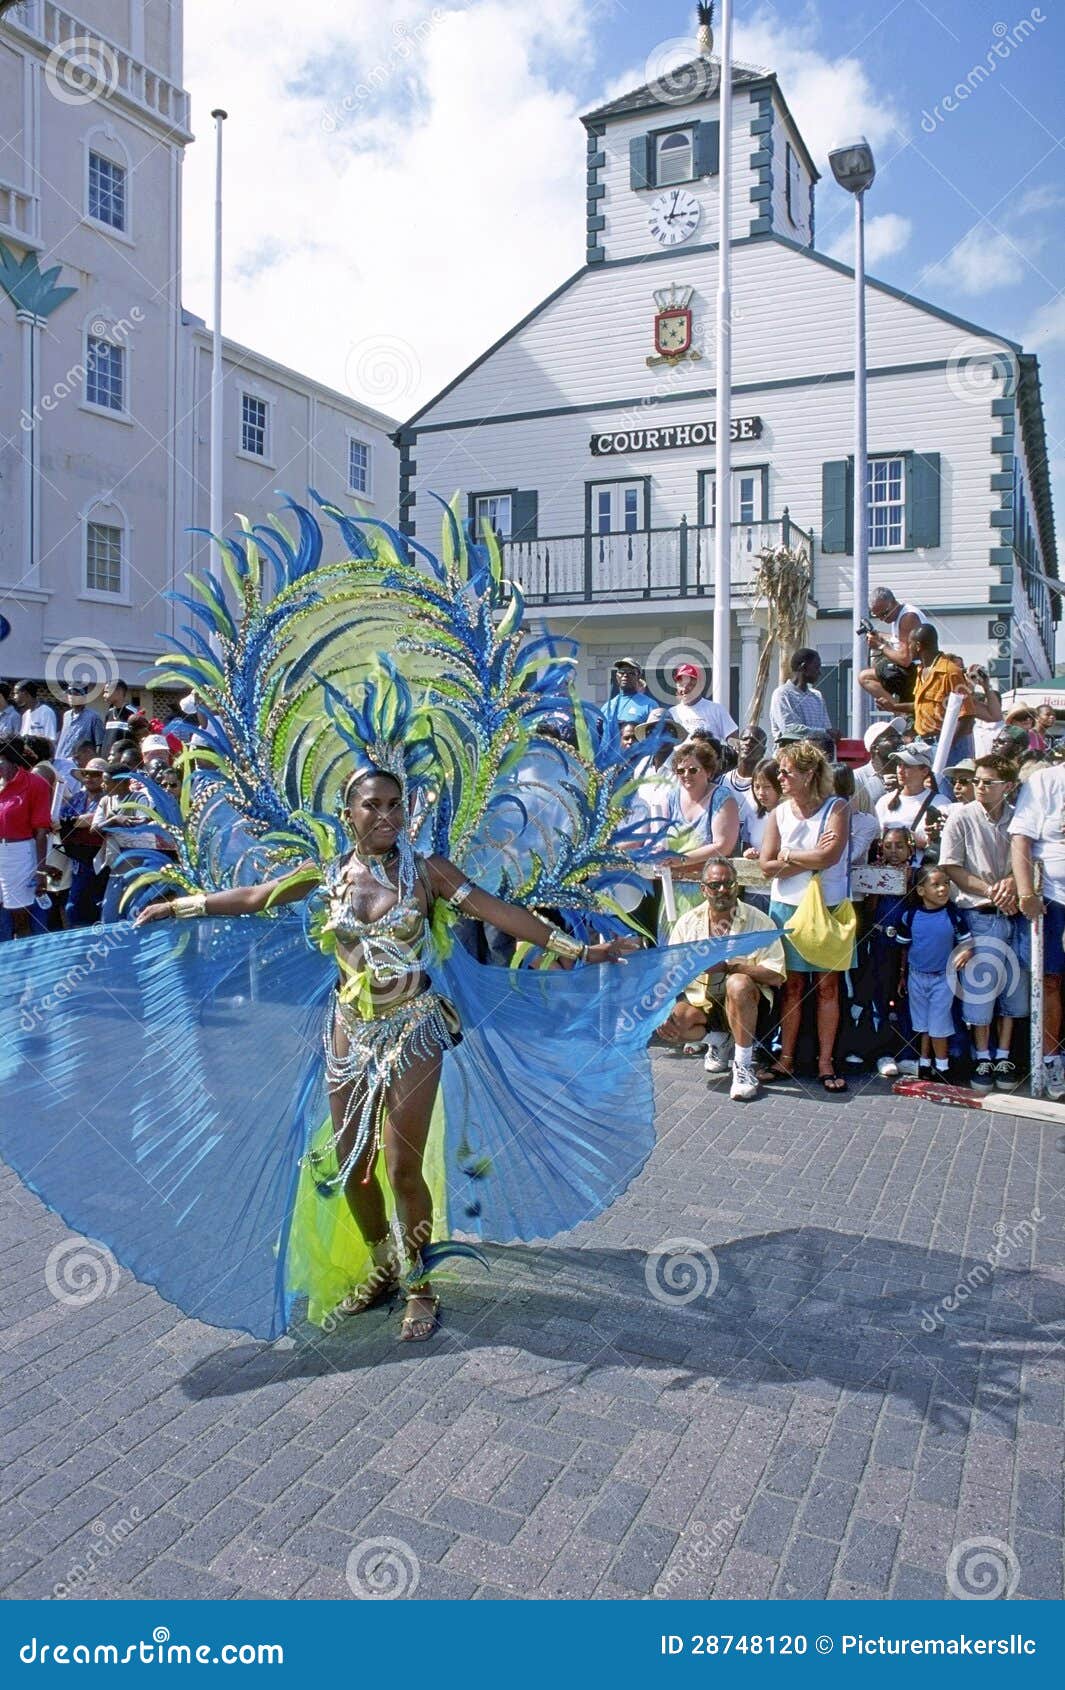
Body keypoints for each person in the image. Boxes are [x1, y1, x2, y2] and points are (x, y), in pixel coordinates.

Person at [758, 739, 851, 1091]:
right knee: (792, 987)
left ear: (810, 773)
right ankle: (787, 1058)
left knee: (828, 987)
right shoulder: (778, 813)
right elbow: (766, 866)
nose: (780, 777)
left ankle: (826, 1061)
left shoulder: (838, 807)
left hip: (828, 908)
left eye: (787, 771)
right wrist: (806, 855)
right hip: (787, 908)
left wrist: (788, 855)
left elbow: (830, 857)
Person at [657, 859, 786, 1101]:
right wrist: (662, 1011)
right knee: (673, 1022)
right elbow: (668, 971)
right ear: (702, 888)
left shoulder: (759, 921)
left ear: (738, 886)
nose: (722, 890)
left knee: (737, 983)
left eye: (729, 883)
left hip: (748, 1005)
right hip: (701, 1001)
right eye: (715, 885)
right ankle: (719, 1041)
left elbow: (777, 975)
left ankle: (743, 1066)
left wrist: (731, 967)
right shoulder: (688, 922)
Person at [938, 754, 1024, 1092]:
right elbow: (951, 867)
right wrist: (991, 890)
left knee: (1014, 992)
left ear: (1008, 786)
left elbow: (1030, 863)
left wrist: (1014, 885)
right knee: (980, 992)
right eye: (977, 781)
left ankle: (1004, 1054)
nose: (980, 787)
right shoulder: (960, 818)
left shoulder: (1019, 820)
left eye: (988, 782)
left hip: (1015, 915)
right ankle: (982, 1056)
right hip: (979, 914)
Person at [1009, 759, 1065, 1100]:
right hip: (1054, 900)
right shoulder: (1046, 779)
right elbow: (1020, 839)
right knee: (1052, 981)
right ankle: (1050, 1059)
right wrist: (1026, 892)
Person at [895, 866, 973, 1083]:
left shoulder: (953, 914)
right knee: (922, 1023)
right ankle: (924, 1062)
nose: (942, 889)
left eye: (946, 884)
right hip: (917, 977)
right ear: (921, 891)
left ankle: (942, 1066)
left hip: (943, 978)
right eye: (936, 885)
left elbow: (967, 941)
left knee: (939, 1023)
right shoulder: (909, 917)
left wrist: (966, 952)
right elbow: (904, 948)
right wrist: (902, 975)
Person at [659, 740, 740, 908]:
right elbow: (658, 838)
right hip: (672, 892)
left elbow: (723, 846)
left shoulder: (722, 797)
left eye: (693, 770)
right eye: (680, 770)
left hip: (712, 893)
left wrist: (681, 860)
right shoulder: (670, 798)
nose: (686, 775)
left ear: (709, 771)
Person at [0, 736, 52, 938]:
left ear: (11, 760)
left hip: (20, 853)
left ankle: (27, 965)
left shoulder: (35, 784)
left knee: (19, 915)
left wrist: (40, 870)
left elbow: (41, 832)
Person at [906, 624, 981, 760]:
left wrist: (945, 746)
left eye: (909, 644)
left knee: (945, 782)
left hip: (947, 747)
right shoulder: (920, 670)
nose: (907, 648)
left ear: (918, 645)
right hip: (923, 744)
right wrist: (893, 706)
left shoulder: (950, 672)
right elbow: (921, 707)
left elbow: (966, 716)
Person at [858, 589, 927, 711]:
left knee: (865, 677)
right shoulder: (900, 616)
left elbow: (905, 659)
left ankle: (900, 712)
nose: (882, 619)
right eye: (876, 615)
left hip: (916, 670)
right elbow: (899, 639)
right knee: (879, 665)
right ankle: (902, 710)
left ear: (893, 602)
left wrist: (880, 646)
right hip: (913, 669)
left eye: (884, 614)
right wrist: (879, 636)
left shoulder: (907, 618)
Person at [875, 746, 949, 849]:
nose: (900, 770)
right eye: (899, 765)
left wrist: (914, 841)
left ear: (924, 771)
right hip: (887, 865)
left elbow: (947, 844)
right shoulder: (885, 801)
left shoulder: (941, 802)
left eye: (907, 766)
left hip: (923, 864)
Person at [769, 649, 834, 751]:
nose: (819, 672)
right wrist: (825, 732)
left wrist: (831, 733)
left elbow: (827, 727)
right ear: (803, 667)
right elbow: (790, 730)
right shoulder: (782, 694)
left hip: (815, 757)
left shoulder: (817, 696)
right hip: (791, 757)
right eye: (816, 667)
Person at [722, 726, 767, 845]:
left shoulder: (767, 786)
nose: (748, 743)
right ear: (737, 746)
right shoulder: (721, 781)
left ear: (763, 751)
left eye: (755, 741)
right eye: (745, 739)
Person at [669, 663, 737, 741]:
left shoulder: (716, 710)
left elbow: (734, 740)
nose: (684, 689)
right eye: (681, 685)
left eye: (690, 685)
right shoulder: (671, 713)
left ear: (700, 685)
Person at [601, 658, 656, 744]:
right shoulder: (607, 707)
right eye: (621, 672)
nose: (625, 675)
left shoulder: (649, 705)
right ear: (616, 676)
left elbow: (656, 738)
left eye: (631, 673)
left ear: (638, 677)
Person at [854, 719, 905, 806]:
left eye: (899, 737)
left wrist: (902, 790)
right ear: (875, 748)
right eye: (892, 737)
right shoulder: (857, 778)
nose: (899, 741)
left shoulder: (910, 774)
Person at [54, 684, 105, 762]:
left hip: (78, 762)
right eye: (69, 694)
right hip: (61, 759)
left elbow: (99, 744)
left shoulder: (93, 717)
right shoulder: (66, 715)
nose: (71, 697)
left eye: (74, 694)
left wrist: (94, 763)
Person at [14, 680, 57, 748]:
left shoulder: (46, 712)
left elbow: (51, 740)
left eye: (16, 693)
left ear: (26, 694)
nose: (14, 697)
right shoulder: (26, 715)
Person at [102, 678, 136, 753]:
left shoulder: (132, 713)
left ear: (119, 692)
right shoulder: (109, 713)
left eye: (106, 692)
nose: (104, 695)